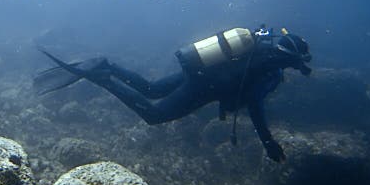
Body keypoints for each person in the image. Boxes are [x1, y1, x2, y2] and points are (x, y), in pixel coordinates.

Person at [34, 26, 312, 162]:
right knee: (154, 114)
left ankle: (108, 65)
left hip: (201, 71)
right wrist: (268, 142)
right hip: (207, 86)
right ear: (294, 59)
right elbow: (254, 105)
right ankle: (104, 77)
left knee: (150, 89)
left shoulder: (259, 44)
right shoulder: (271, 72)